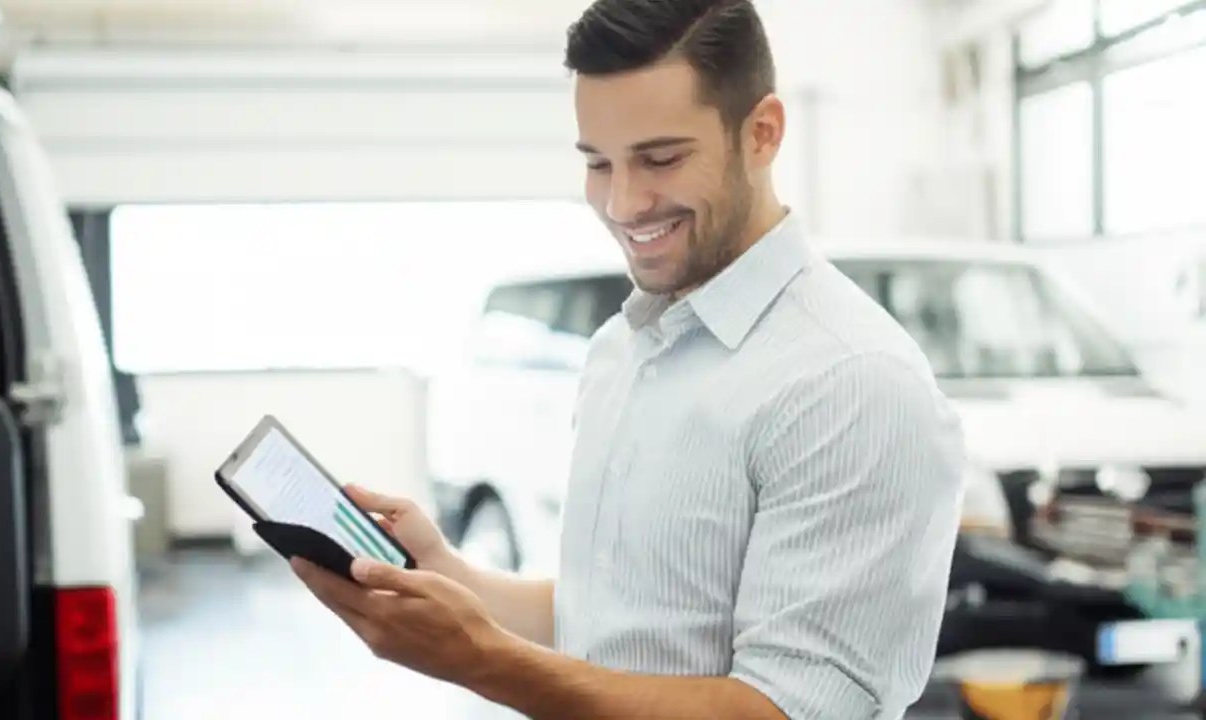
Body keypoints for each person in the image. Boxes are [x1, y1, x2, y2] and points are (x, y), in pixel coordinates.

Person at [290, 1, 965, 718]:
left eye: (661, 159)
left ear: (762, 133)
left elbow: (783, 710)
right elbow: (616, 621)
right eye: (597, 163)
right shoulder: (625, 346)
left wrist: (480, 661)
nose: (622, 202)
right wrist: (451, 577)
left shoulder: (851, 381)